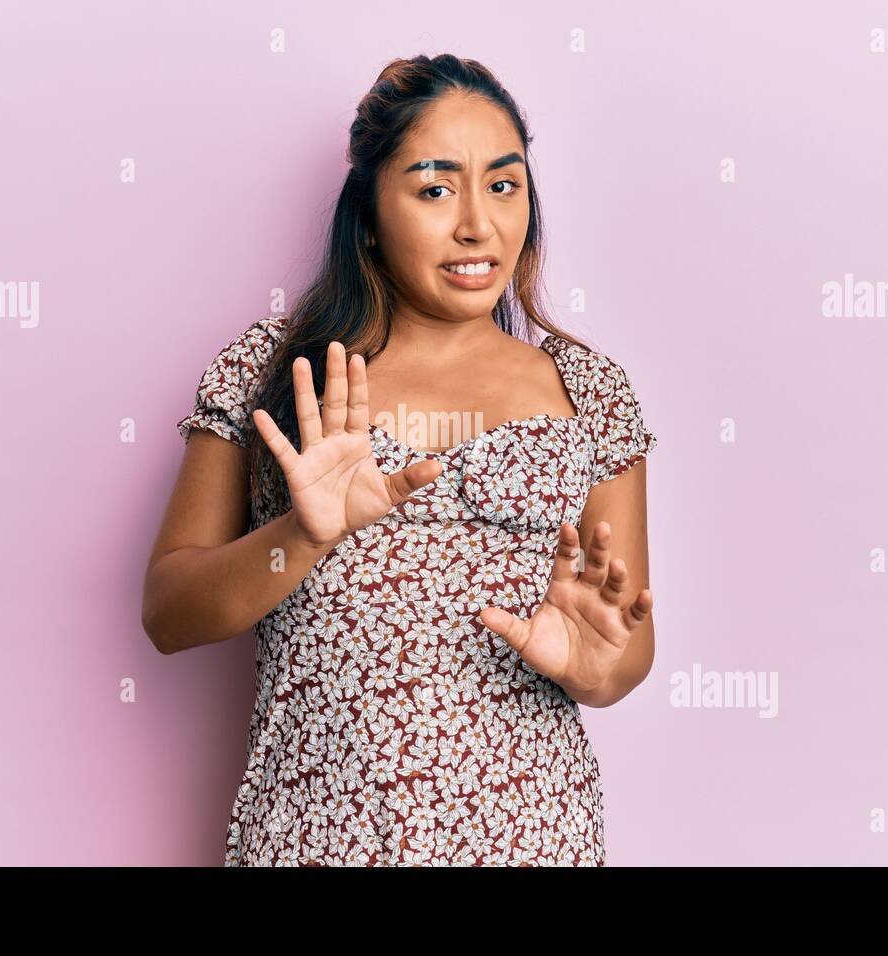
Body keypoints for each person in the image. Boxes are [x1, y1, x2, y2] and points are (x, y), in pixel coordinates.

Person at [142, 54, 658, 866]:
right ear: (371, 212)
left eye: (503, 184)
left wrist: (598, 669)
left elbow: (623, 649)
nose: (477, 225)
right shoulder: (274, 372)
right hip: (318, 839)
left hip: (532, 839)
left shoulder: (587, 391)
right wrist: (299, 538)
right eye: (435, 187)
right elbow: (168, 614)